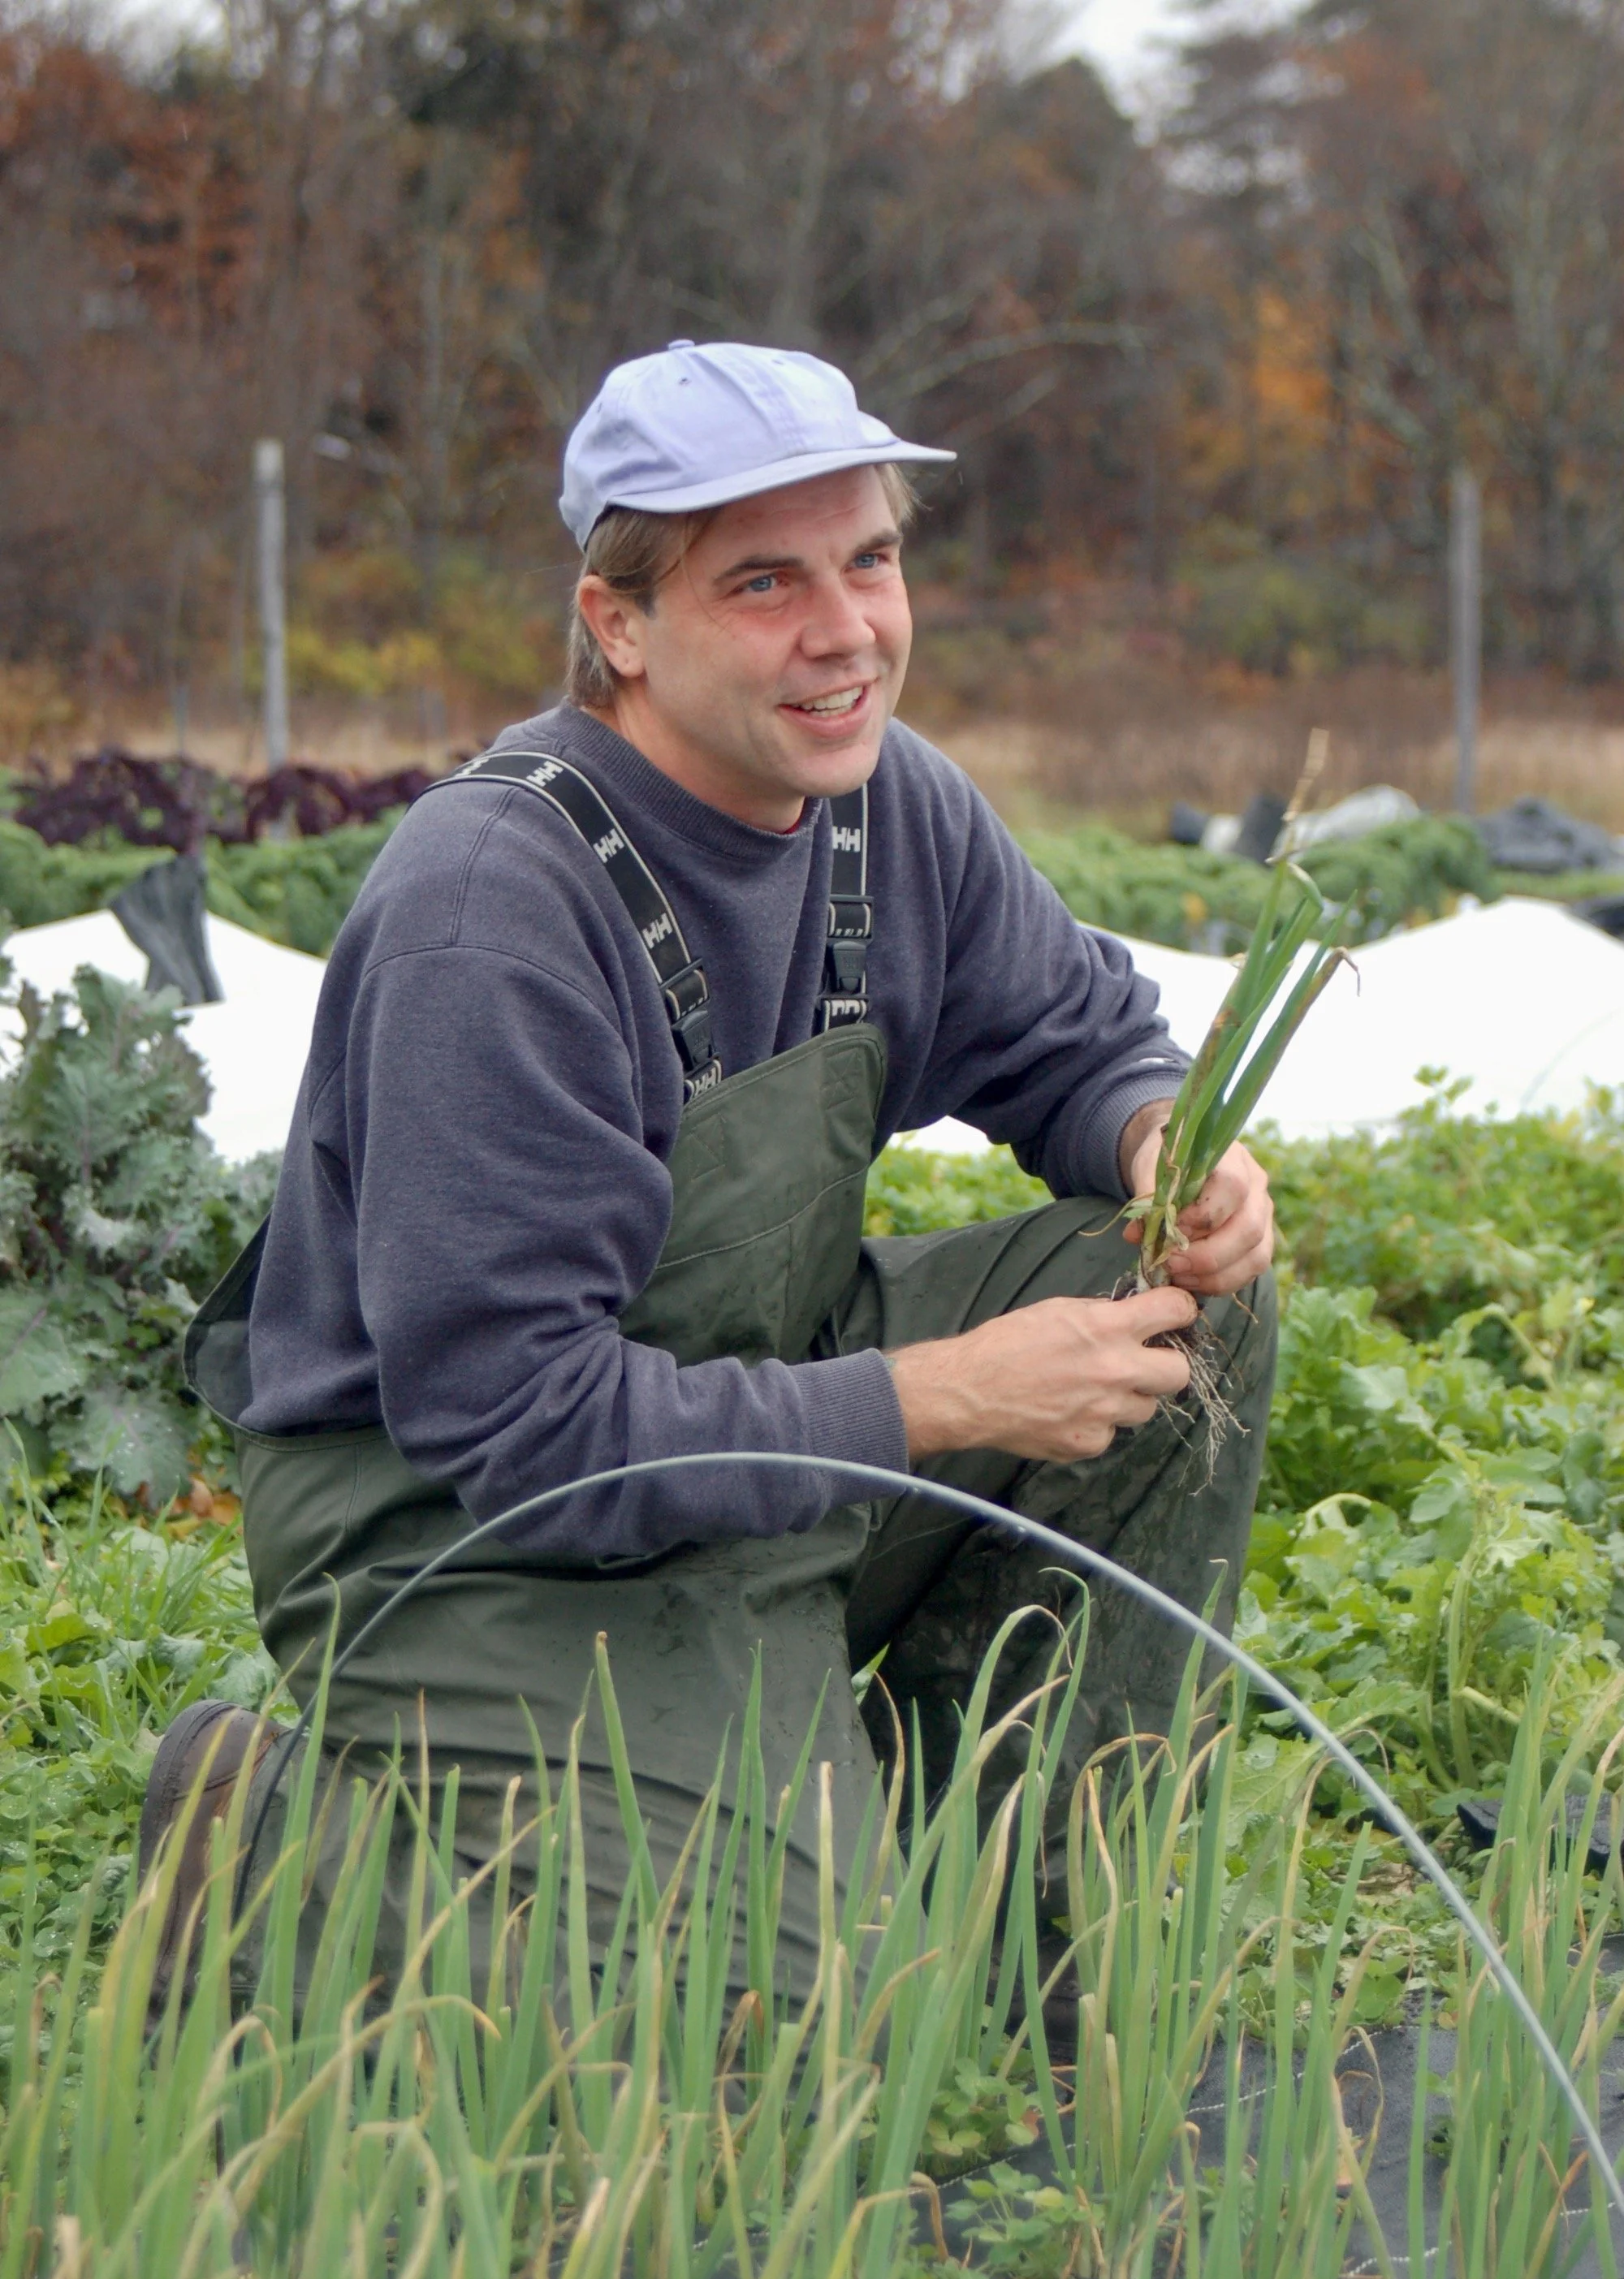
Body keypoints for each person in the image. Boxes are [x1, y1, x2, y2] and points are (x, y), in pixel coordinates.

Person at [141, 340, 1276, 2009]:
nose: (846, 628)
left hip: (764, 1428)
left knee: (1184, 1328)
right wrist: (935, 1396)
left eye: (869, 559)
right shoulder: (495, 911)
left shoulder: (890, 805)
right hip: (467, 1533)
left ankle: (985, 1887)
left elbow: (1068, 1035)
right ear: (618, 624)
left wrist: (1154, 1129)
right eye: (764, 580)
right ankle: (268, 1830)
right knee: (758, 2016)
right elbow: (520, 1430)